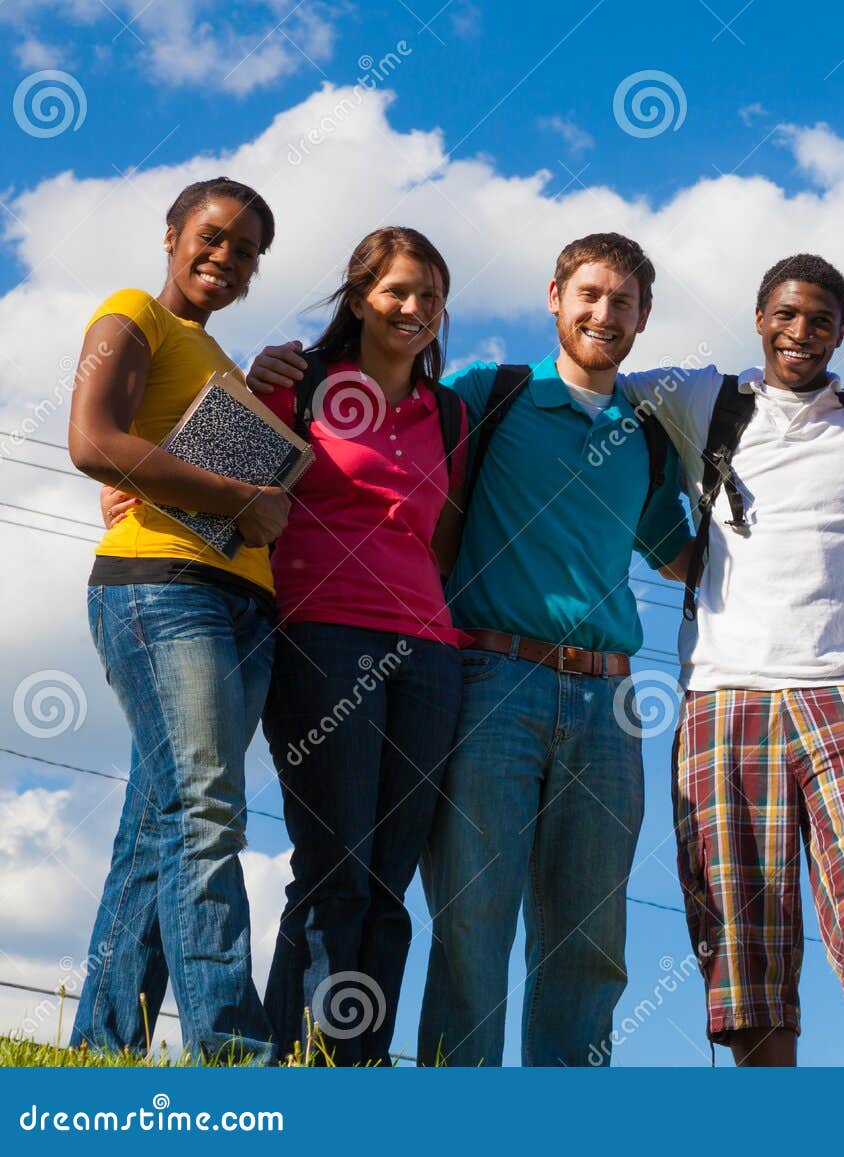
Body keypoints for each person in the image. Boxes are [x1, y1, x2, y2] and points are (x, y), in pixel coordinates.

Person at [249, 232, 692, 1066]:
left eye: (624, 301)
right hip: (490, 679)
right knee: (470, 922)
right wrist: (269, 383)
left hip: (610, 702)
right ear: (554, 295)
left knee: (589, 932)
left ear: (644, 316)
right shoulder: (485, 396)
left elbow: (683, 554)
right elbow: (379, 415)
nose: (605, 313)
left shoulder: (648, 433)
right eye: (589, 294)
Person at [618, 254, 844, 1066]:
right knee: (743, 938)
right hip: (724, 697)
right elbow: (590, 386)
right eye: (786, 315)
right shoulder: (708, 398)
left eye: (821, 320)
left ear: (842, 330)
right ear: (760, 316)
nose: (800, 333)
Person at [231, 227, 465, 1065]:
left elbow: (447, 536)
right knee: (335, 865)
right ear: (360, 295)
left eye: (431, 297)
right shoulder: (298, 381)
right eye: (398, 291)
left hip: (430, 653)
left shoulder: (449, 410)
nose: (414, 309)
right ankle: (299, 1062)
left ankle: (355, 1065)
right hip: (321, 635)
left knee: (390, 880)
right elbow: (213, 481)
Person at [67, 177, 286, 1062]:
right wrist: (244, 498)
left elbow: (161, 451)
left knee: (158, 823)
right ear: (170, 234)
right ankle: (234, 1054)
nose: (225, 257)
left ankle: (101, 1044)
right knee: (207, 812)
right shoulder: (132, 313)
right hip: (162, 589)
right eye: (212, 235)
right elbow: (92, 439)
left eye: (245, 251)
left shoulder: (221, 362)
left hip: (244, 603)